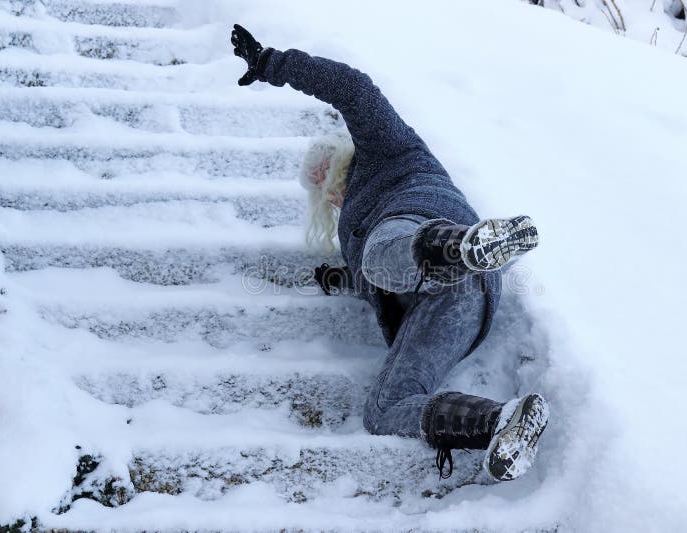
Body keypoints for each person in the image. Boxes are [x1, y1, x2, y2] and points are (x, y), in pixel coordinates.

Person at [231, 24, 548, 481]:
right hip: (461, 302)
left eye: (321, 180)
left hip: (421, 221)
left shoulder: (387, 152)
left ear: (336, 159)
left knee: (383, 252)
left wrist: (271, 64)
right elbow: (375, 283)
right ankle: (503, 422)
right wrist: (340, 279)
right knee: (383, 409)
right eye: (320, 196)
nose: (328, 197)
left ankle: (466, 247)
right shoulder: (355, 233)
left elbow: (354, 89)